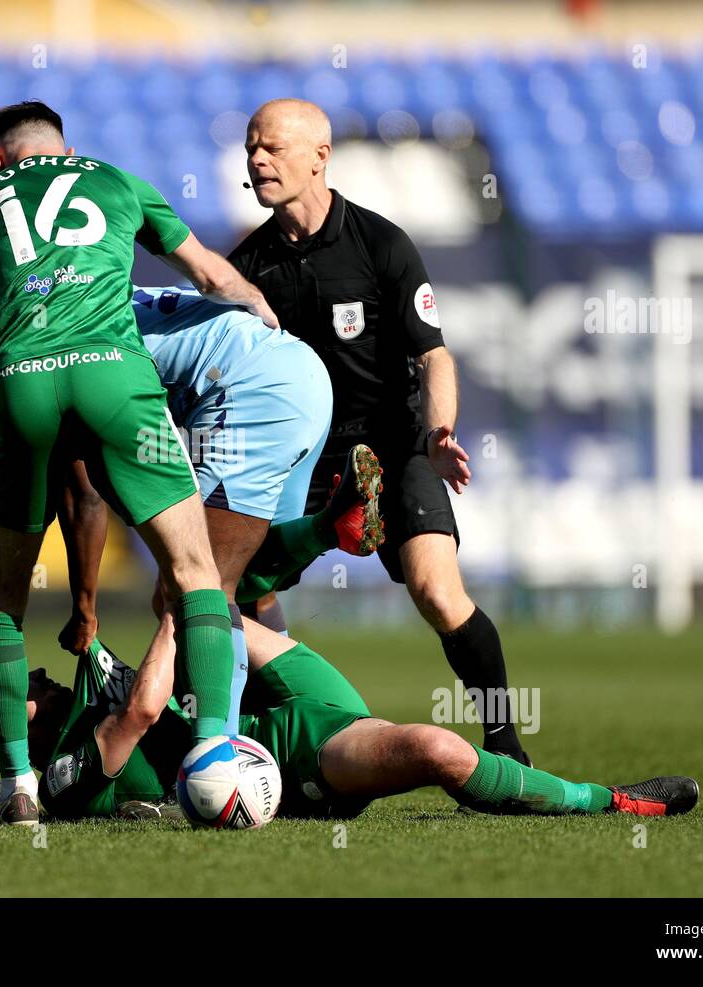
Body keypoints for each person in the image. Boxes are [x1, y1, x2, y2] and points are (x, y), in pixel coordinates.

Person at [0, 101, 277, 824]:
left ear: (0, 159)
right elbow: (210, 273)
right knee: (196, 571)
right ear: (64, 148)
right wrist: (259, 305)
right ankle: (217, 753)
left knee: (0, 597)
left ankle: (19, 786)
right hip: (121, 388)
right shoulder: (118, 181)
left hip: (19, 386)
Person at [227, 98, 532, 765]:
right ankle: (270, 736)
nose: (257, 159)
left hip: (393, 447)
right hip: (298, 461)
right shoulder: (246, 268)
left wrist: (440, 430)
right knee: (237, 593)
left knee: (437, 591)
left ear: (319, 157)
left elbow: (435, 355)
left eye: (273, 148)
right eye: (252, 147)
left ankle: (506, 744)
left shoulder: (380, 244)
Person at [0, 619, 699, 822]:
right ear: (12, 719)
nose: (30, 673)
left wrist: (197, 598)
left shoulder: (73, 686)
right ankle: (608, 798)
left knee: (225, 602)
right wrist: (183, 598)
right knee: (436, 748)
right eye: (13, 685)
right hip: (271, 745)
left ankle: (328, 531)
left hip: (271, 695)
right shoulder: (67, 774)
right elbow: (145, 705)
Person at [56, 284, 385, 733]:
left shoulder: (53, 348)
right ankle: (325, 532)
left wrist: (85, 610)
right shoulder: (99, 289)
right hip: (302, 374)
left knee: (196, 591)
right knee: (258, 580)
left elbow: (85, 496)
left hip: (246, 391)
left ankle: (221, 752)